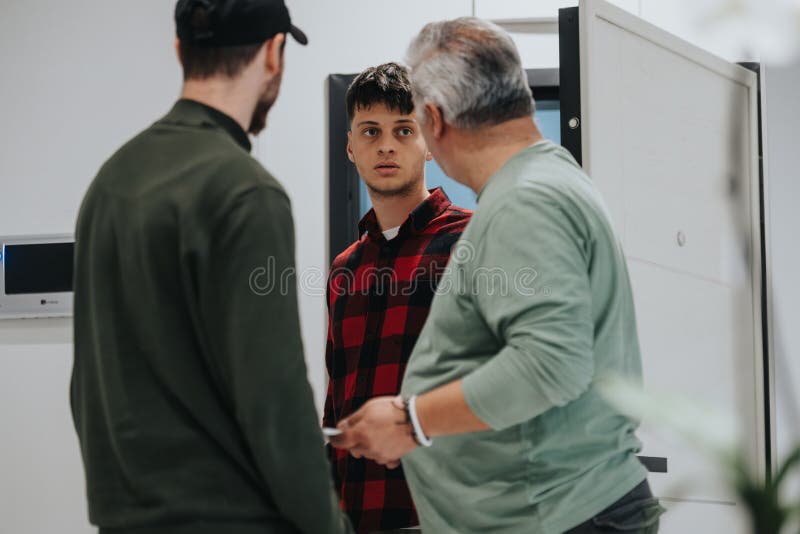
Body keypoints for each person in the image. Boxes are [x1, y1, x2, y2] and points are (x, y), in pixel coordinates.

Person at [331, 17, 665, 534]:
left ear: (434, 121)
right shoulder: (550, 180)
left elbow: (551, 363)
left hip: (563, 515)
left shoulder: (524, 202)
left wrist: (408, 420)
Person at [70, 1, 351, 533]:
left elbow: (87, 381)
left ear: (181, 51)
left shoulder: (110, 183)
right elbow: (276, 398)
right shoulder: (245, 191)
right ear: (274, 54)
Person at [324, 62, 472, 534]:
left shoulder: (476, 240)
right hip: (355, 516)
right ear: (350, 146)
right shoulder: (345, 268)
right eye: (370, 131)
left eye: (403, 130)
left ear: (428, 140)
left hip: (446, 514)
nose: (386, 145)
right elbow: (337, 404)